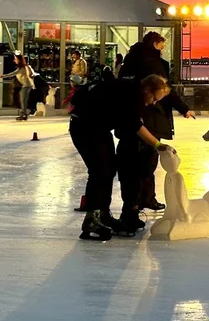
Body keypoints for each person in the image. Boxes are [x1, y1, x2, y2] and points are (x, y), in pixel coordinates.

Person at [69, 73, 174, 239]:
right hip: (85, 128)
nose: (153, 102)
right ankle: (93, 218)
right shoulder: (131, 95)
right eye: (154, 97)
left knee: (108, 169)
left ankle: (102, 214)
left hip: (98, 128)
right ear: (147, 89)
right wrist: (158, 145)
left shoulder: (130, 89)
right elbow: (136, 126)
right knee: (101, 170)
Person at [118, 31, 194, 211]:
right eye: (162, 45)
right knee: (147, 159)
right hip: (151, 117)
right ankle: (145, 199)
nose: (163, 48)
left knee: (132, 161)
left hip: (132, 116)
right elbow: (164, 89)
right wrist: (183, 107)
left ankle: (134, 203)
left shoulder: (128, 62)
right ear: (154, 43)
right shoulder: (152, 63)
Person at [1, 54, 34, 121]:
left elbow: (13, 73)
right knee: (23, 100)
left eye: (15, 59)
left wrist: (3, 76)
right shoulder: (23, 67)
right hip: (27, 85)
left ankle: (23, 114)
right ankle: (24, 114)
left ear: (19, 60)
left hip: (26, 85)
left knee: (23, 100)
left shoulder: (21, 68)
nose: (14, 60)